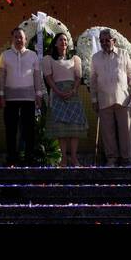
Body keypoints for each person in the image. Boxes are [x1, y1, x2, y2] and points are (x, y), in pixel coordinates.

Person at [0, 27, 45, 165]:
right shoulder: (4, 55)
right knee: (11, 129)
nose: (19, 39)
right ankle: (12, 158)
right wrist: (1, 95)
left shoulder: (33, 55)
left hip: (28, 98)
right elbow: (1, 76)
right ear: (12, 39)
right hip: (10, 99)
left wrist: (39, 94)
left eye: (21, 37)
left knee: (28, 130)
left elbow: (37, 76)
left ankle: (29, 157)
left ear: (25, 40)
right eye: (16, 37)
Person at [91, 29, 131, 166]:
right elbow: (93, 80)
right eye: (102, 41)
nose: (104, 43)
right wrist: (94, 99)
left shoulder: (123, 54)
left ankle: (126, 158)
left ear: (114, 41)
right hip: (104, 99)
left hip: (123, 98)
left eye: (107, 40)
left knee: (125, 130)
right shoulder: (95, 58)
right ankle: (111, 158)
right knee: (107, 131)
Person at [43, 32, 88, 166]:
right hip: (57, 94)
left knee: (74, 129)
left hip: (72, 94)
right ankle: (63, 159)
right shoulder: (48, 59)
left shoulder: (75, 59)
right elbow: (48, 78)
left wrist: (73, 90)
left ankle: (74, 158)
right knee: (61, 130)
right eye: (60, 40)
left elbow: (78, 78)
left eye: (65, 40)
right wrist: (57, 91)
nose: (63, 42)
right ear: (55, 43)